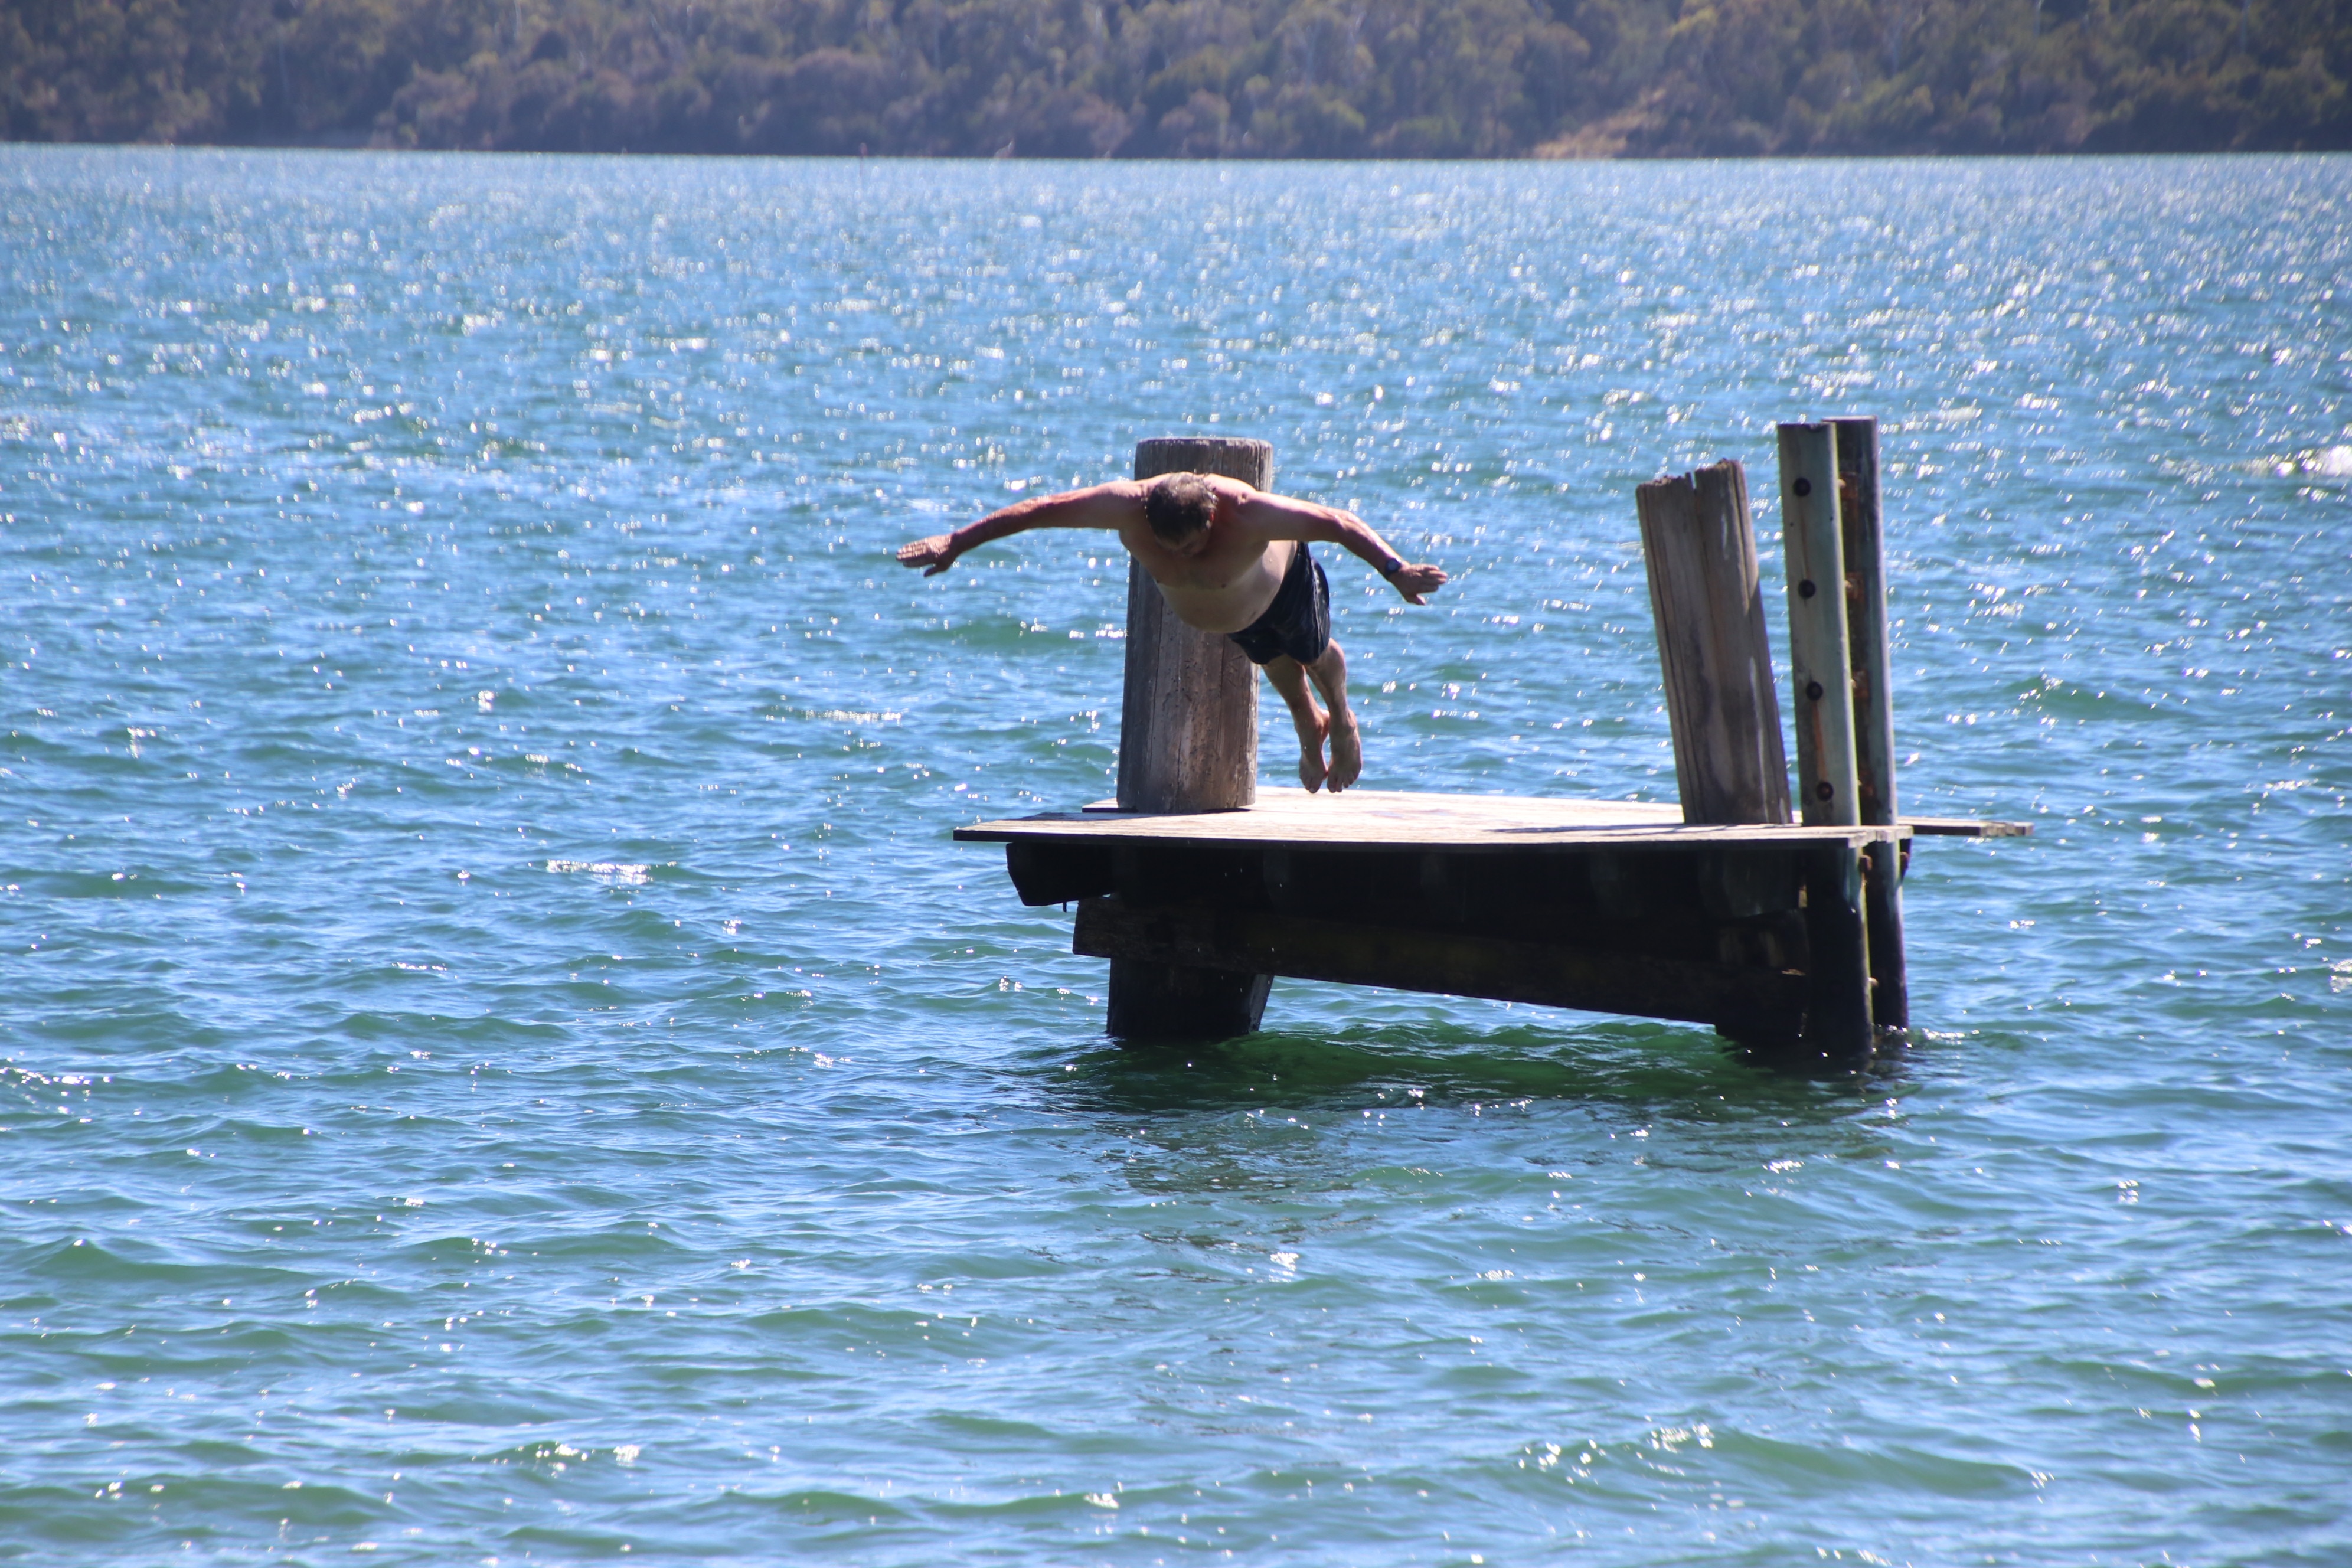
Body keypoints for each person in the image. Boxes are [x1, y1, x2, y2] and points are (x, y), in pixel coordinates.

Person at [897, 472, 1447, 793]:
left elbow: (1337, 522)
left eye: (1192, 548)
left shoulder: (1250, 513)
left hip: (1282, 589)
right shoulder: (1124, 507)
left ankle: (1343, 719)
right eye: (1169, 549)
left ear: (1212, 521)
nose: (1181, 558)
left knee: (1310, 652)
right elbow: (1038, 511)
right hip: (1237, 616)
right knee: (1274, 666)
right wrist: (957, 542)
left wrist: (1396, 572)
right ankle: (1311, 725)